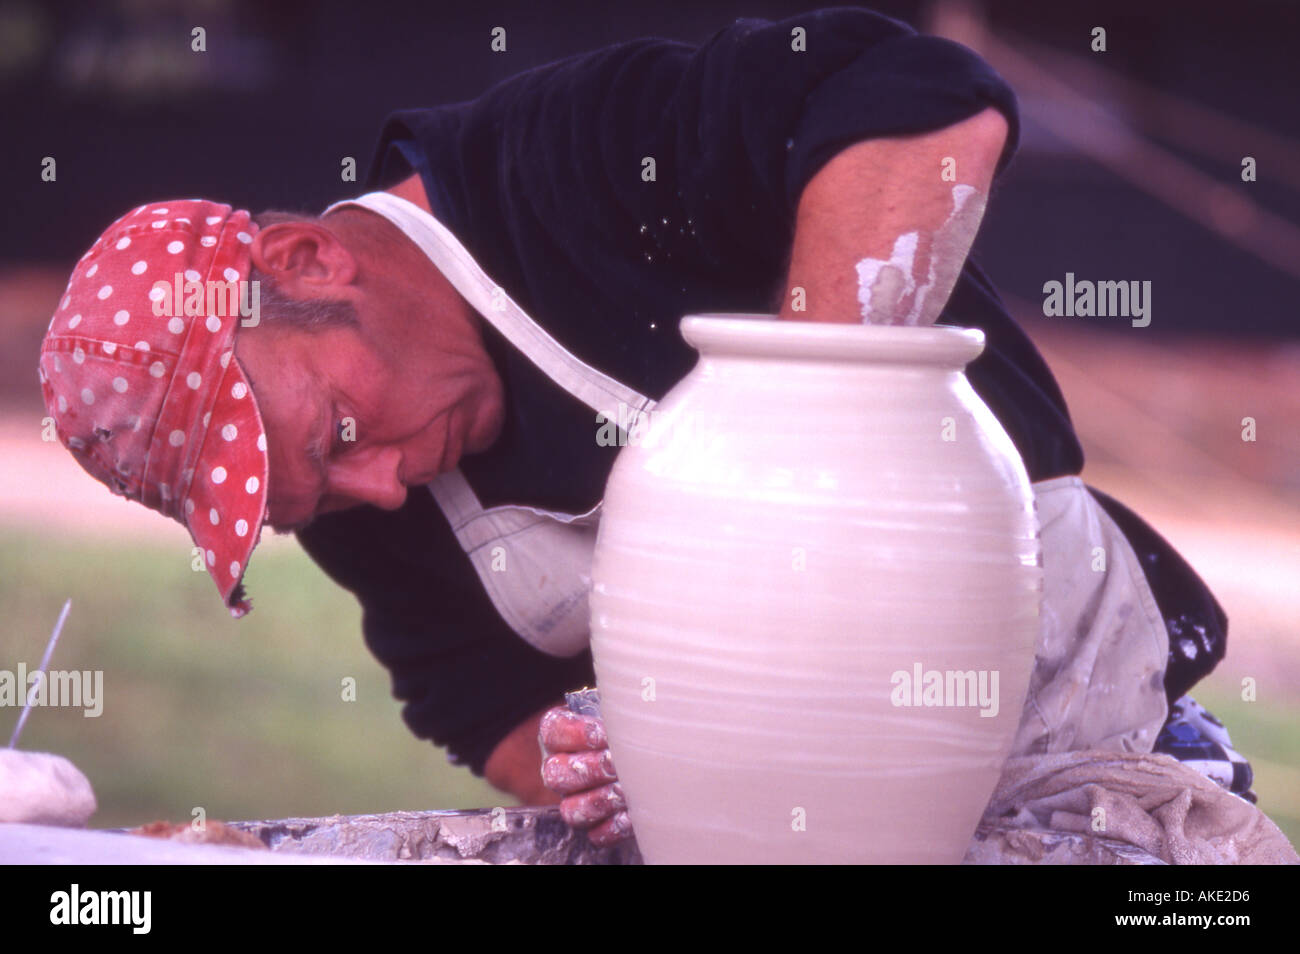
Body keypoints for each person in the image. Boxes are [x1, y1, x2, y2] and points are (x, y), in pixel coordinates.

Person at [38, 7, 1244, 850]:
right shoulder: (370, 503)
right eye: (316, 496)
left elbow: (924, 105)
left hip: (1094, 764)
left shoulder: (574, 158)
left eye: (339, 431)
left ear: (306, 261)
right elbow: (479, 701)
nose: (379, 490)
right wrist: (584, 760)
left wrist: (799, 440)